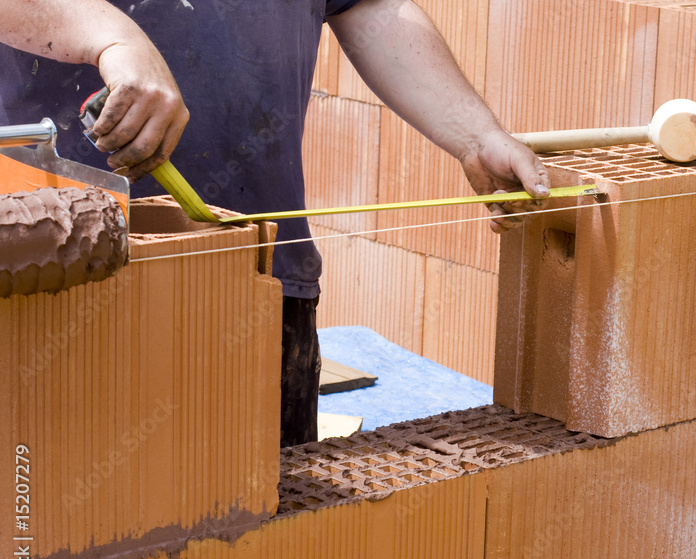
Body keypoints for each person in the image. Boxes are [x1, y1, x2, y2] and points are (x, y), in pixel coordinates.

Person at [0, 0, 550, 447]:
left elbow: (370, 8)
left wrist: (475, 137)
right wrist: (113, 38)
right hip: (59, 276)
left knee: (262, 549)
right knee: (63, 551)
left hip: (262, 285)